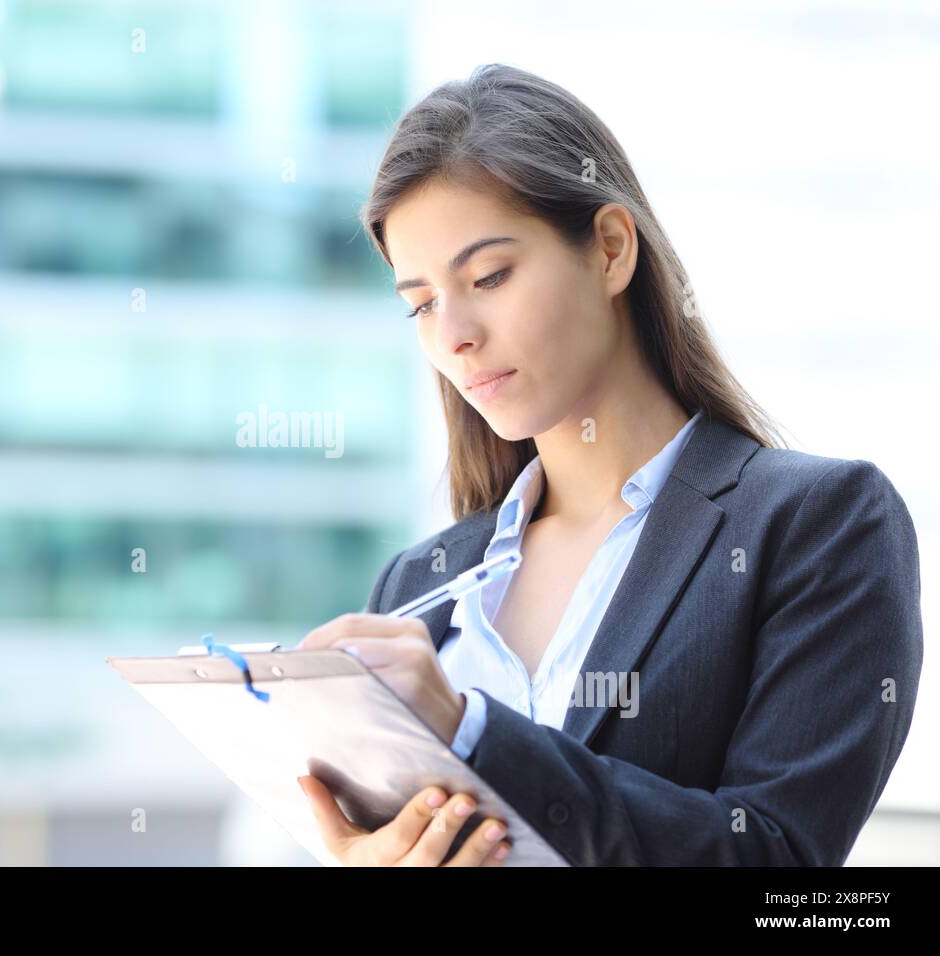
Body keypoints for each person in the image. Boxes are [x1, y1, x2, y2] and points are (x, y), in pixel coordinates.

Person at [296, 63, 923, 867]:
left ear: (612, 250)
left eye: (487, 276)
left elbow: (780, 867)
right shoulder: (417, 587)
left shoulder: (816, 525)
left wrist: (474, 735)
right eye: (420, 303)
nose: (453, 334)